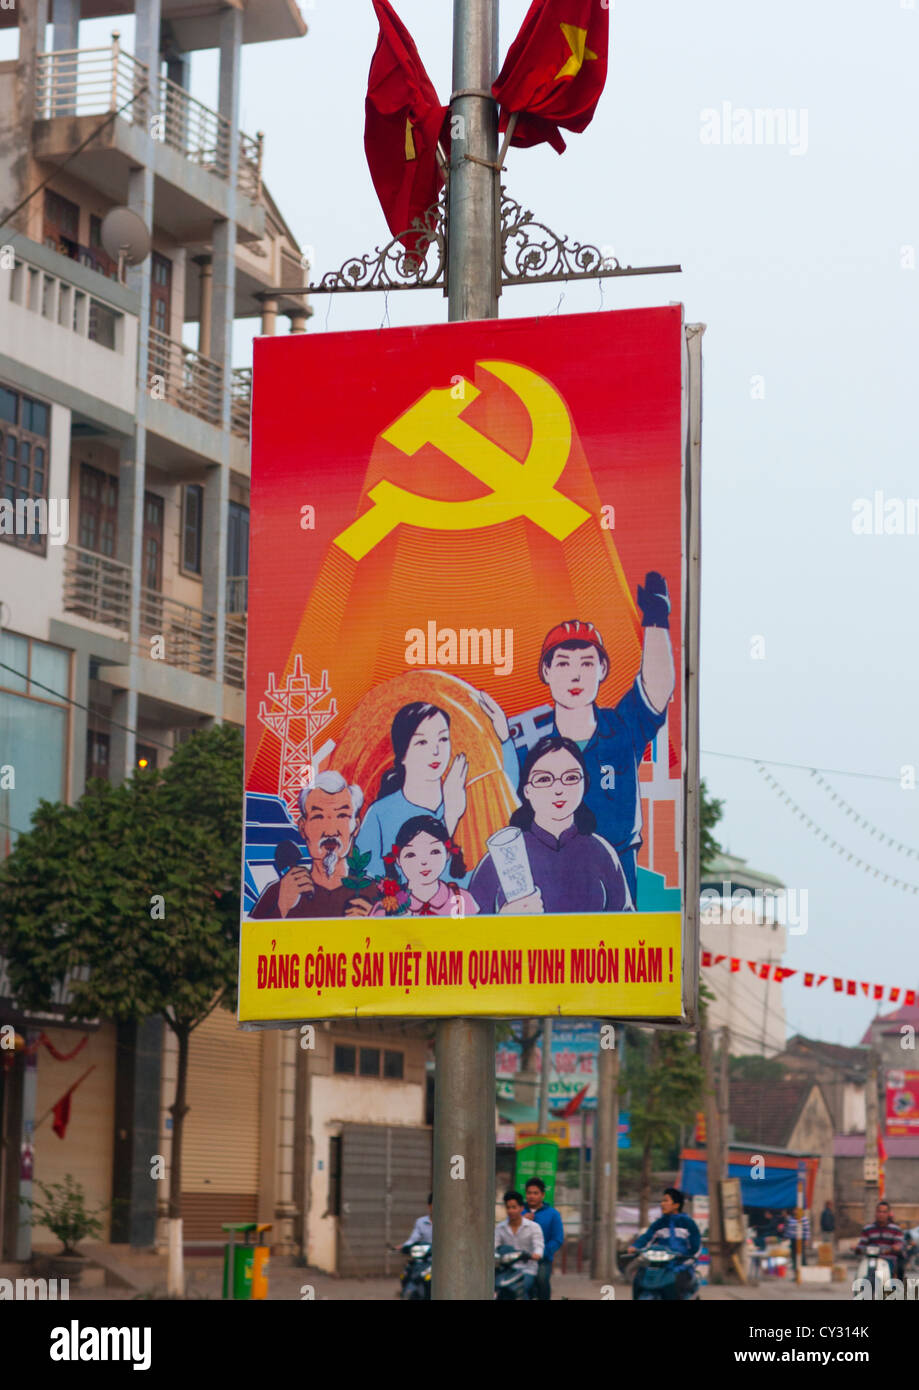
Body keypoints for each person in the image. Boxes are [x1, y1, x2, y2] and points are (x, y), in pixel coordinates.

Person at [517, 599, 674, 908]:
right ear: (546, 671)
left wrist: (655, 618)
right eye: (563, 663)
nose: (575, 675)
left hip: (616, 877)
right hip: (547, 880)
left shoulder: (621, 728)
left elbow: (657, 688)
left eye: (587, 663)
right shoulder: (528, 746)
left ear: (602, 669)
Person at [469, 736, 632, 915]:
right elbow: (464, 932)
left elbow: (626, 922)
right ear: (527, 790)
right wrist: (504, 920)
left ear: (584, 784)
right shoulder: (502, 856)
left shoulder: (602, 852)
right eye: (544, 779)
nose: (558, 789)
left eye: (570, 777)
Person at [355, 698, 514, 880]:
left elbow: (508, 796)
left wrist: (505, 738)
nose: (436, 751)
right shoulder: (379, 815)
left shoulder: (462, 797)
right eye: (422, 742)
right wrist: (450, 819)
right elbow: (367, 886)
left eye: (443, 739)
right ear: (402, 754)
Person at [249, 771, 378, 918]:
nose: (330, 831)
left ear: (356, 826)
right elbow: (255, 938)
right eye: (318, 817)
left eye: (341, 816)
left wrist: (373, 923)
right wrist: (282, 906)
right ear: (303, 828)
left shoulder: (373, 893)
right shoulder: (280, 892)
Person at [370, 815, 479, 917]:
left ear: (447, 854)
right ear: (398, 859)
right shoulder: (387, 906)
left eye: (434, 852)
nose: (423, 862)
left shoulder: (461, 899)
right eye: (411, 855)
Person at [627, 1187, 700, 1300]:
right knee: (639, 1278)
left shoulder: (688, 1223)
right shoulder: (659, 1223)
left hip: (680, 1265)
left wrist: (687, 1258)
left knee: (676, 1285)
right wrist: (635, 1247)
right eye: (662, 1201)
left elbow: (695, 1246)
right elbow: (647, 1237)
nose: (662, 1204)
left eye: (666, 1200)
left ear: (676, 1205)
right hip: (660, 1265)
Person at [495, 1189, 544, 1298]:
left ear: (521, 1208)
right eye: (508, 1207)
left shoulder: (533, 1227)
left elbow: (538, 1247)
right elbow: (495, 1247)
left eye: (514, 1207)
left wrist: (535, 1254)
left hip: (527, 1269)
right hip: (505, 1269)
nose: (511, 1211)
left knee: (519, 1290)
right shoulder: (500, 1228)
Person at [523, 1178, 564, 1301]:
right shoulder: (519, 1212)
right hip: (521, 1258)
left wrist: (542, 1253)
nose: (532, 1196)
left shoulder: (553, 1214)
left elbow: (558, 1239)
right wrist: (522, 1221)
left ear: (542, 1195)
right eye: (529, 1193)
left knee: (541, 1279)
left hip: (543, 1259)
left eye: (535, 1193)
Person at [857, 1200, 905, 1281]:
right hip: (871, 1260)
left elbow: (899, 1243)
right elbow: (862, 1244)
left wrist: (896, 1247)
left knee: (898, 1272)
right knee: (859, 1275)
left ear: (888, 1214)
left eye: (884, 1212)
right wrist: (858, 1248)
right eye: (879, 1211)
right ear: (875, 1213)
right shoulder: (867, 1229)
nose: (881, 1214)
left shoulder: (896, 1229)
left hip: (888, 1260)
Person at [786, 1207, 811, 1273]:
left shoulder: (804, 1219)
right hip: (792, 1239)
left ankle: (804, 1271)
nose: (795, 1211)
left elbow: (807, 1230)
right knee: (793, 1256)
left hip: (800, 1239)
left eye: (796, 1210)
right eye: (794, 1210)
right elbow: (789, 1229)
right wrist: (787, 1236)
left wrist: (806, 1239)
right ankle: (795, 1272)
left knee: (801, 1255)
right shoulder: (791, 1219)